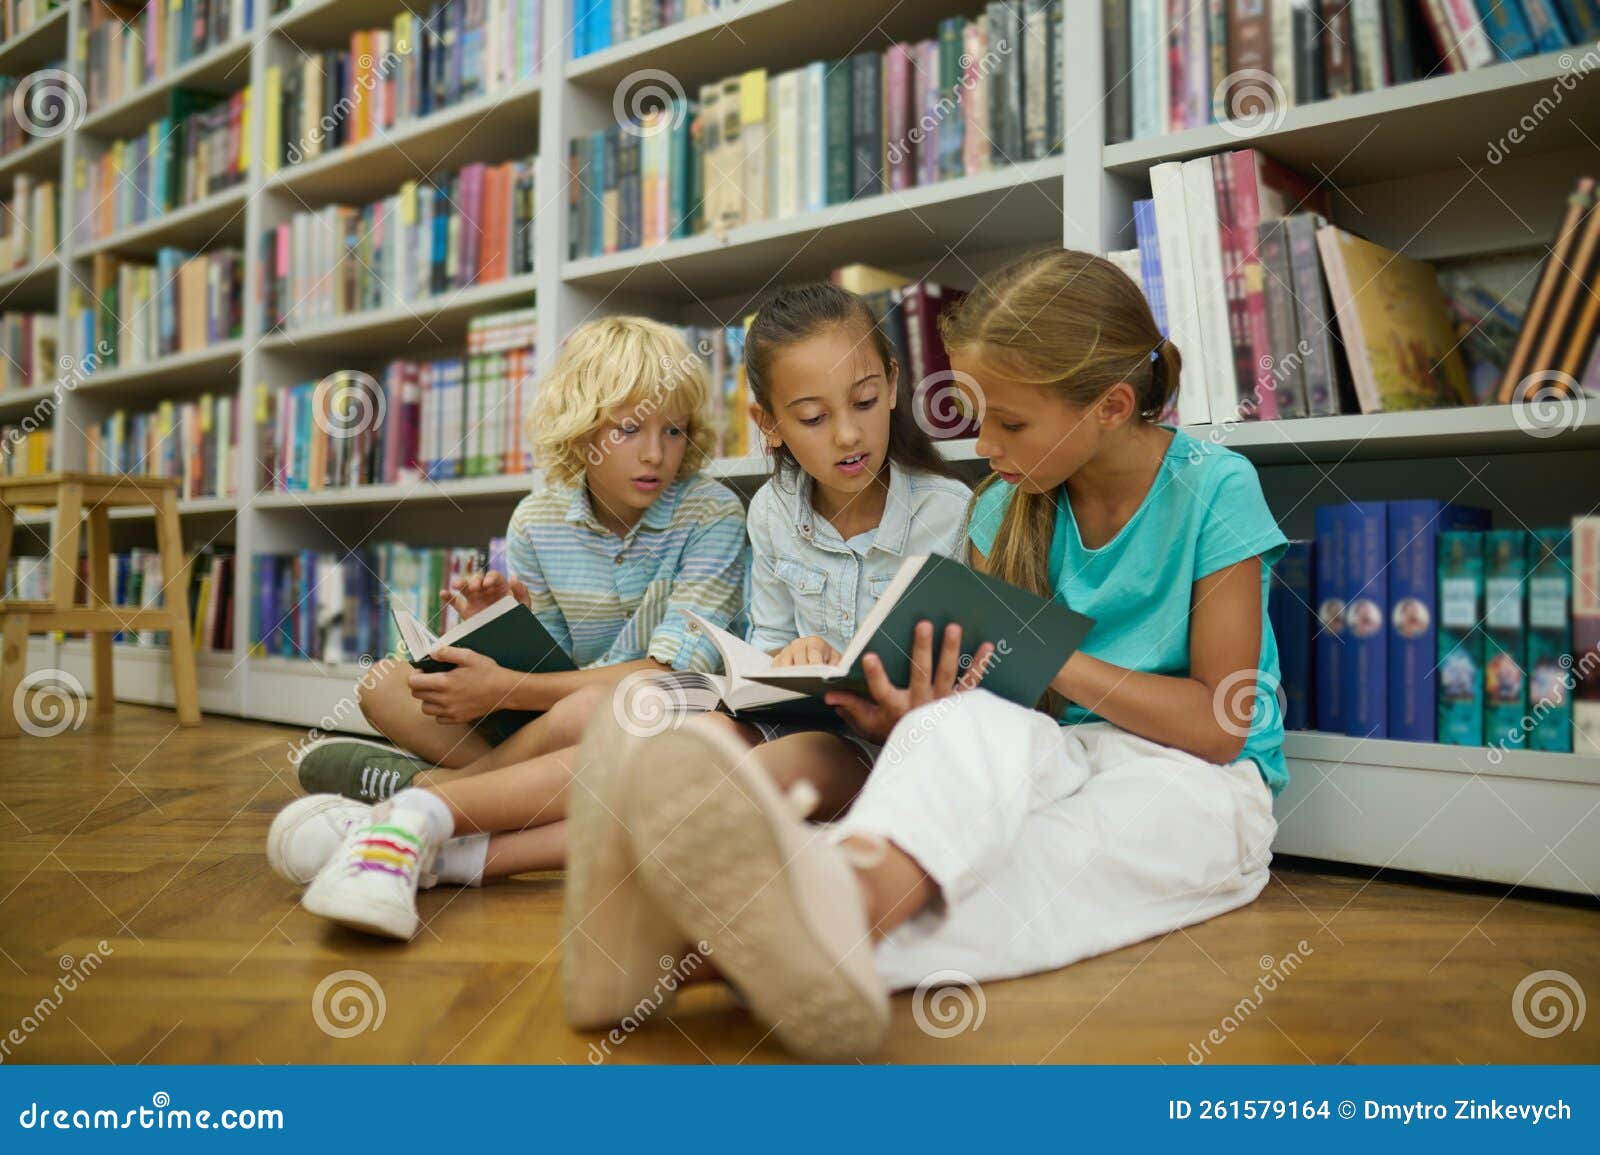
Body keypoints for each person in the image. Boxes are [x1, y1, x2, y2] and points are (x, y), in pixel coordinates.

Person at [561, 249, 1287, 1060]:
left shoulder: (1216, 488)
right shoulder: (1002, 511)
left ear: (1111, 406)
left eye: (1009, 424)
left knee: (1031, 871)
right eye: (977, 414)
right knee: (959, 732)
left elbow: (1221, 727)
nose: (982, 443)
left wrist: (1053, 658)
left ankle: (677, 954)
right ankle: (814, 901)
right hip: (1064, 749)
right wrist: (913, 713)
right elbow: (999, 727)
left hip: (1199, 780)